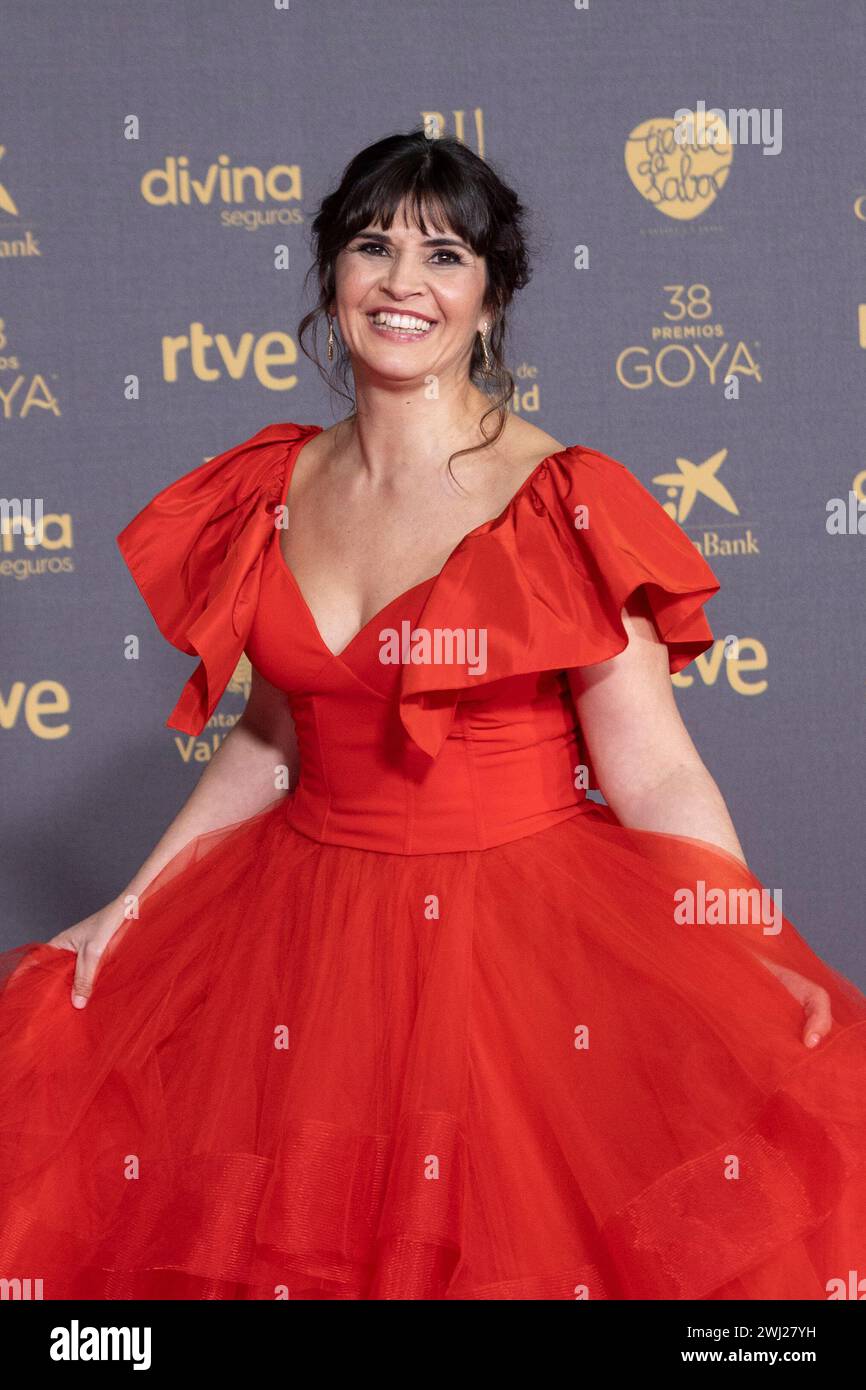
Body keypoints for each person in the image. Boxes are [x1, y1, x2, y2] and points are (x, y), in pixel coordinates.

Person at [0, 129, 864, 1302]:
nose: (401, 281)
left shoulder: (560, 499)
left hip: (519, 950)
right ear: (330, 280)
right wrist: (135, 904)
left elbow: (653, 769)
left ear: (490, 298)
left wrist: (740, 944)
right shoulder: (269, 486)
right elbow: (271, 738)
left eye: (443, 255)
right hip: (302, 943)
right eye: (373, 246)